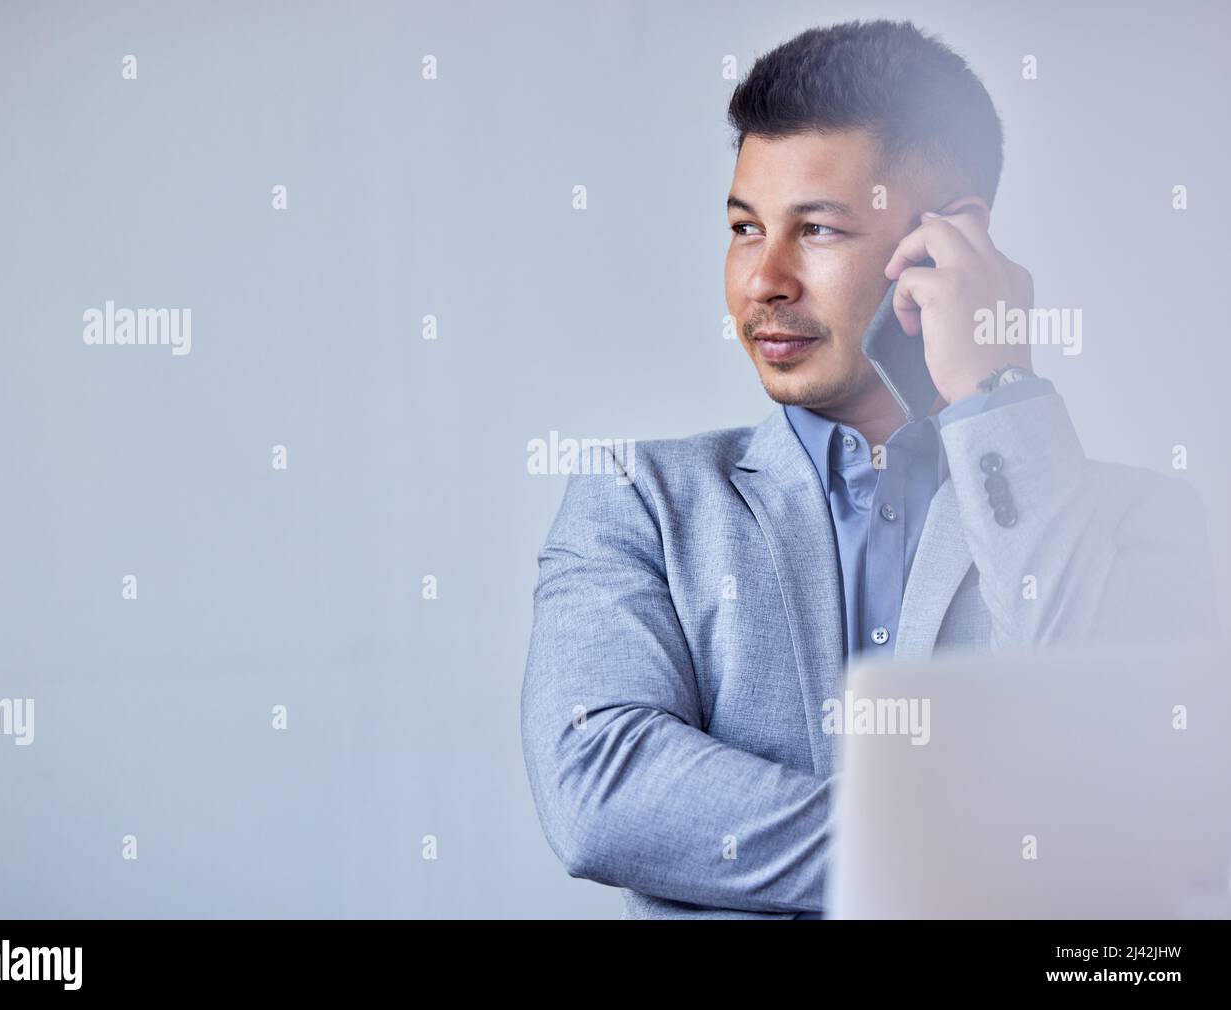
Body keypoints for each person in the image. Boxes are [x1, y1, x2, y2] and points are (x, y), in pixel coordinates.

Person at [519, 19, 1218, 920]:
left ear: (950, 242)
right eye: (744, 228)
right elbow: (597, 791)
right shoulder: (640, 502)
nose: (762, 279)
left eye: (816, 229)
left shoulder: (1139, 522)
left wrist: (998, 392)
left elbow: (1138, 791)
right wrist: (963, 854)